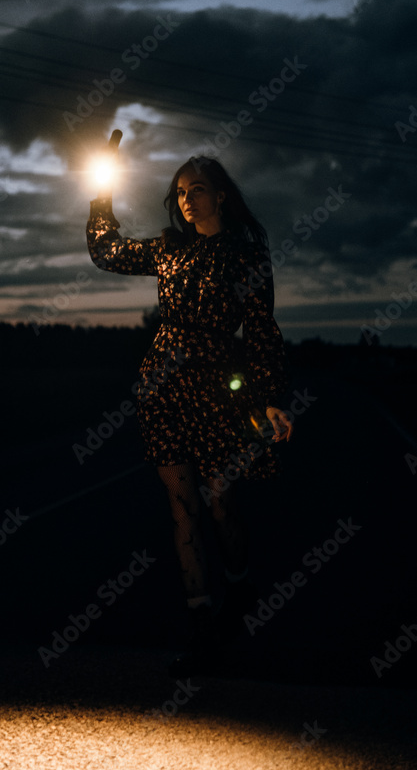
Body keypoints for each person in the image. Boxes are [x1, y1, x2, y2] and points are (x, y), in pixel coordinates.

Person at [86, 143, 292, 675]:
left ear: (220, 195)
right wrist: (102, 189)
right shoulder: (167, 249)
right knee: (183, 508)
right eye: (179, 193)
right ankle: (202, 630)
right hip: (163, 387)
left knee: (220, 500)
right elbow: (107, 252)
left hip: (218, 387)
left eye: (196, 190)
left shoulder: (246, 255)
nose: (186, 200)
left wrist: (272, 397)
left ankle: (241, 585)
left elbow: (264, 328)